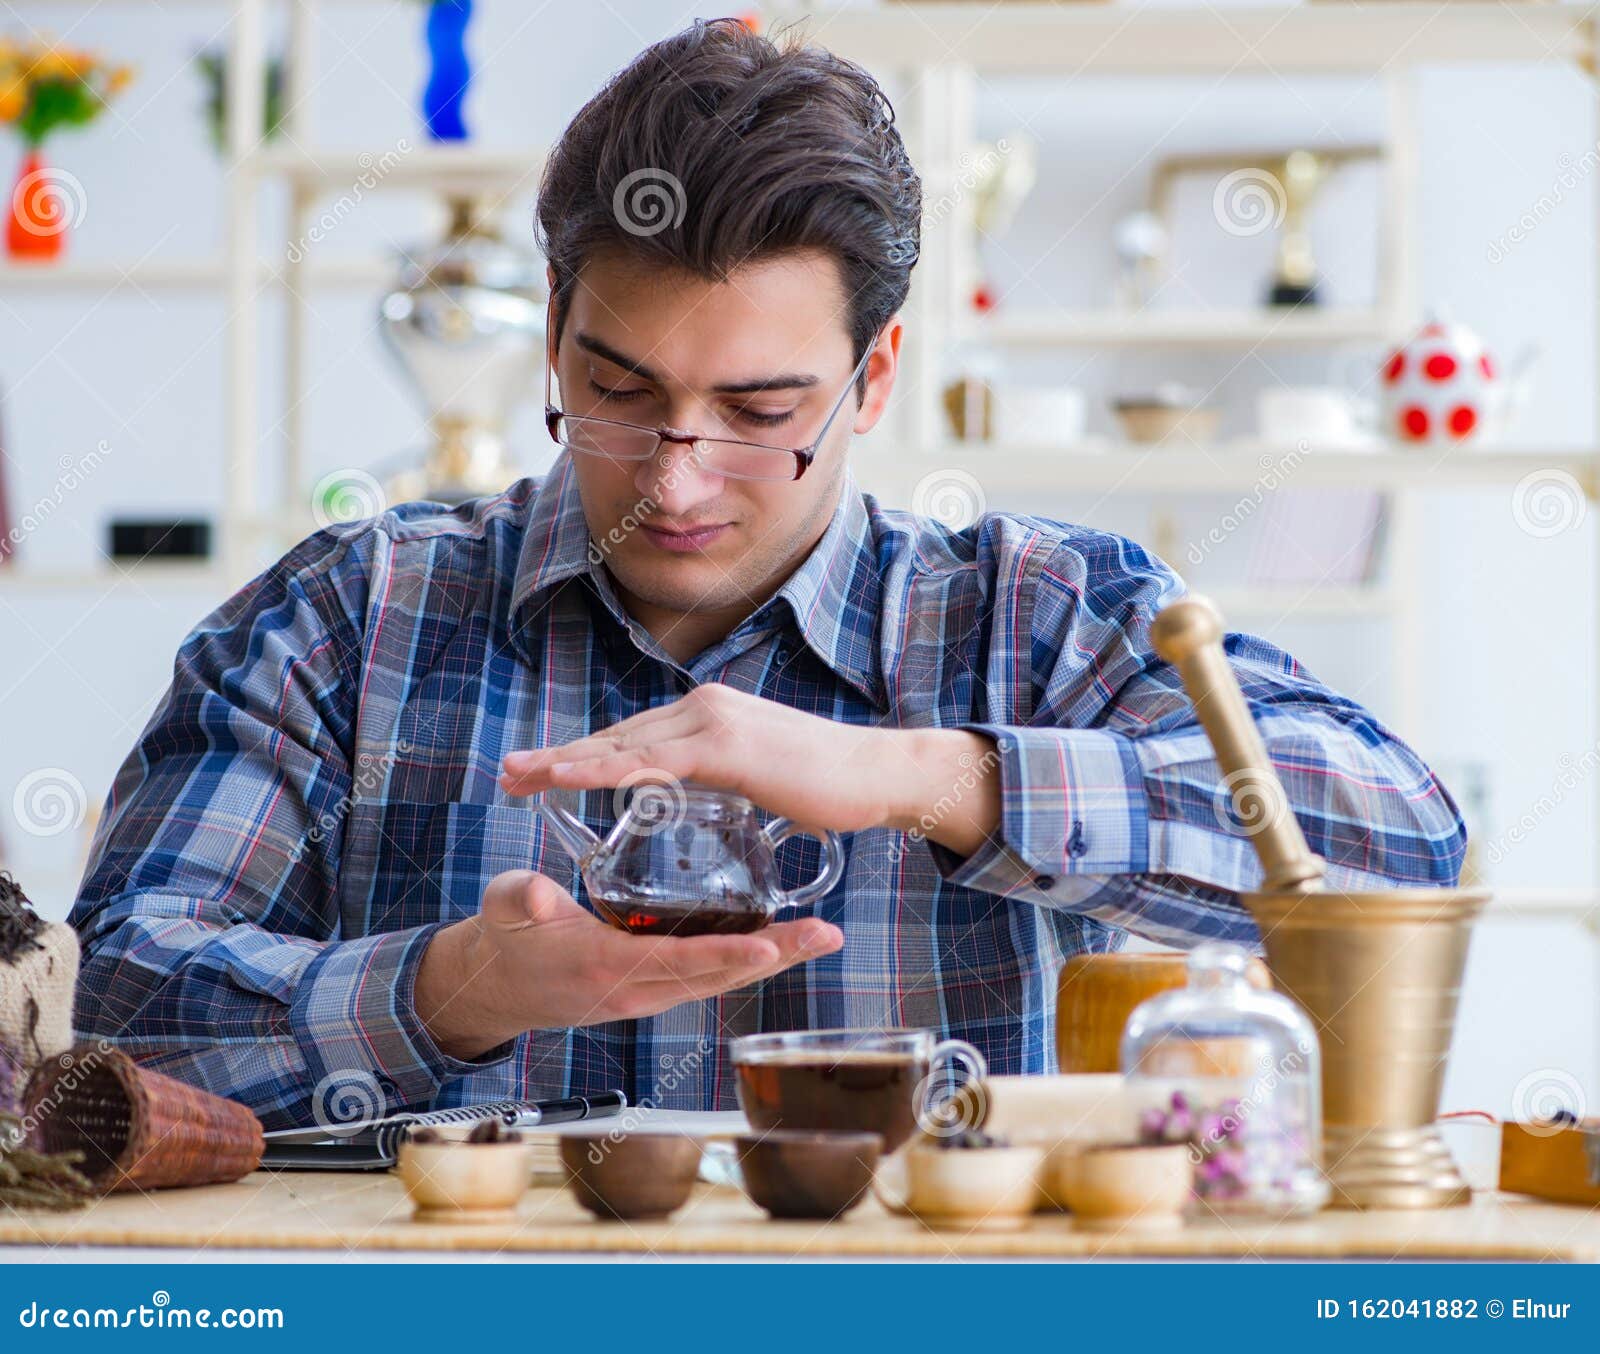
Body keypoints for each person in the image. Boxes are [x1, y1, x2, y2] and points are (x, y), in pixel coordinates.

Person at [70, 20, 1465, 1129]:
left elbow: (1403, 838)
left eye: (759, 414)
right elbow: (107, 1014)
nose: (677, 479)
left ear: (876, 376)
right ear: (552, 331)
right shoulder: (351, 616)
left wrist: (937, 778)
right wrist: (448, 988)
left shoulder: (1033, 614)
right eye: (620, 390)